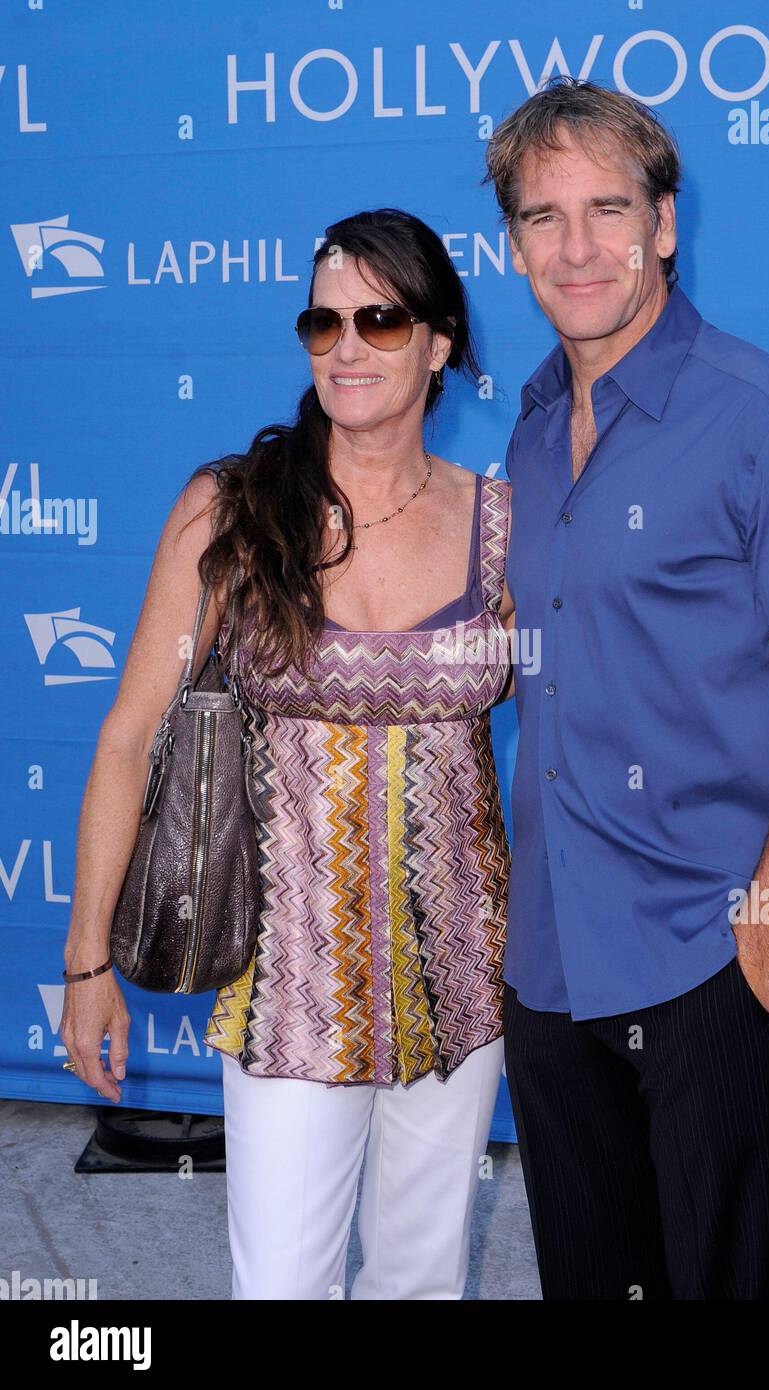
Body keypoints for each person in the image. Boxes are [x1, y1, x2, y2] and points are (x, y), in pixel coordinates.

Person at [482, 77, 769, 1300]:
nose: (578, 246)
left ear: (665, 222)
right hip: (552, 965)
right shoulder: (531, 425)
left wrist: (760, 950)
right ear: (514, 246)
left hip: (707, 959)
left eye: (608, 209)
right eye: (545, 217)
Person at [59, 207, 517, 1300]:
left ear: (441, 340)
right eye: (323, 320)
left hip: (464, 975)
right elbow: (128, 738)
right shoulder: (231, 510)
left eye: (381, 317)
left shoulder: (505, 520)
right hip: (285, 987)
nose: (347, 345)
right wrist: (85, 964)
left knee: (421, 1279)